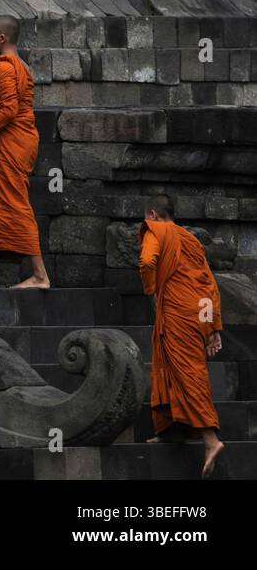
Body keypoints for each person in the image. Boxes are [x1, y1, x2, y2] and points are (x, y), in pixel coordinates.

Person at [140, 193, 225, 478]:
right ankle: (171, 430)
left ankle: (211, 440)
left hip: (176, 311)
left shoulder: (156, 230)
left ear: (152, 214)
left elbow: (147, 263)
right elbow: (208, 282)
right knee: (168, 366)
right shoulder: (190, 240)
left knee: (188, 372)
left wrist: (151, 291)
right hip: (198, 310)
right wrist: (212, 328)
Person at [0, 15, 49, 288]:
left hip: (13, 142)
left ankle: (40, 275)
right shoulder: (17, 66)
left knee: (14, 203)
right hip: (17, 141)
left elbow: (9, 111)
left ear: (2, 39)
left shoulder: (5, 67)